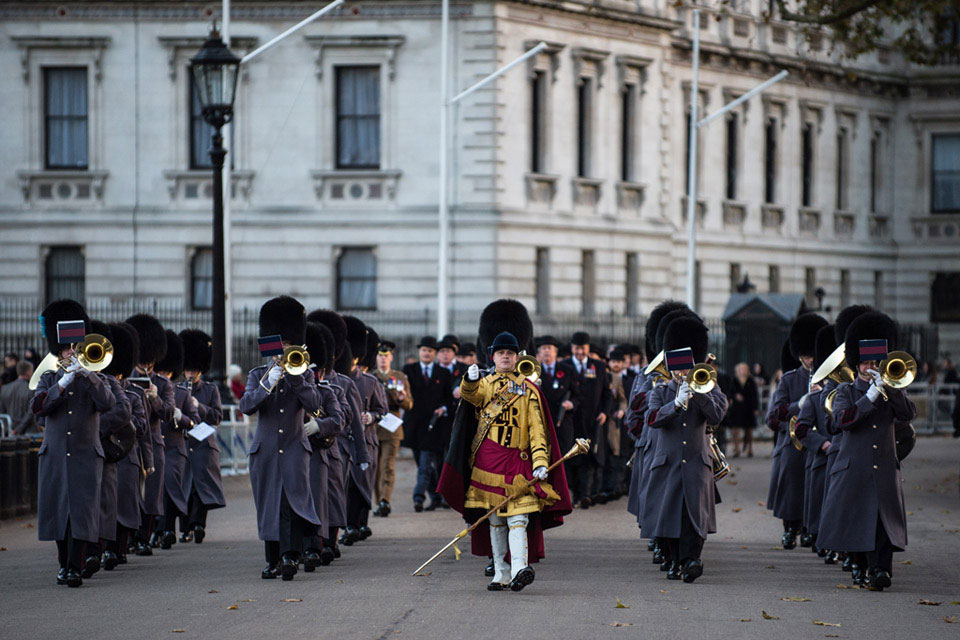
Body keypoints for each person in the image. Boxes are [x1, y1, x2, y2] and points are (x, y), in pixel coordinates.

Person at [438, 299, 572, 592]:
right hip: (487, 460)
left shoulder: (529, 389)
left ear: (517, 355)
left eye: (510, 353)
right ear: (493, 356)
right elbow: (471, 399)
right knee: (496, 520)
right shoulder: (485, 384)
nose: (506, 357)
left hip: (518, 461)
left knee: (519, 518)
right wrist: (469, 381)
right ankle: (501, 572)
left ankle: (522, 567)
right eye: (501, 353)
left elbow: (538, 430)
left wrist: (539, 461)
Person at [818, 311, 916, 591]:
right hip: (855, 466)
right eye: (866, 362)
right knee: (857, 520)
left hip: (883, 465)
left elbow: (908, 414)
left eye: (875, 362)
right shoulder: (846, 391)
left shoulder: (890, 388)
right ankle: (861, 567)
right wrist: (869, 397)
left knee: (882, 521)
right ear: (856, 363)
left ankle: (881, 570)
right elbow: (840, 422)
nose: (870, 366)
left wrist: (892, 391)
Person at [32, 299, 117, 587]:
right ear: (60, 351)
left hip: (83, 454)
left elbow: (108, 403)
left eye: (75, 349)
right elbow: (38, 407)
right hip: (55, 454)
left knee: (81, 512)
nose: (72, 353)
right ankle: (63, 565)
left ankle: (75, 567)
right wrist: (63, 383)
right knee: (59, 513)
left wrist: (88, 376)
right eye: (68, 349)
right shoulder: (48, 378)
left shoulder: (95, 379)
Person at [239, 296, 323, 581]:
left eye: (290, 345)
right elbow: (247, 405)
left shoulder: (305, 374)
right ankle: (272, 559)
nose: (285, 351)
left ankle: (290, 556)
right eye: (281, 345)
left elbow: (314, 404)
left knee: (291, 502)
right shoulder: (257, 375)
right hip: (265, 450)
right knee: (269, 504)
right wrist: (270, 380)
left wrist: (296, 378)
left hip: (294, 449)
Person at [642, 316, 728, 583]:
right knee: (669, 516)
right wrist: (676, 405)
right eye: (678, 368)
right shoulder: (660, 391)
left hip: (696, 462)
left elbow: (716, 415)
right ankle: (673, 560)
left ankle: (692, 560)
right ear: (671, 368)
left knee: (695, 517)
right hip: (668, 462)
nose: (682, 372)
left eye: (686, 367)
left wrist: (698, 392)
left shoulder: (709, 388)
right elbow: (653, 419)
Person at [308, 309, 368, 556]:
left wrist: (361, 454)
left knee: (332, 494)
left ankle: (329, 541)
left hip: (336, 446)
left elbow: (353, 421)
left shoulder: (343, 382)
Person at [766, 313, 827, 550]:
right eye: (805, 356)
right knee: (792, 487)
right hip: (793, 444)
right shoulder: (789, 380)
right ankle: (790, 528)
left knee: (816, 488)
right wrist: (799, 405)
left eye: (812, 355)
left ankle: (813, 529)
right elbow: (773, 416)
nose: (809, 360)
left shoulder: (829, 379)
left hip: (818, 440)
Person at [125, 313, 175, 555]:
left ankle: (144, 537)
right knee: (129, 492)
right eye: (142, 362)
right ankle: (129, 538)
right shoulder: (125, 381)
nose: (145, 367)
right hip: (131, 444)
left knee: (151, 495)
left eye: (149, 363)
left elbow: (168, 414)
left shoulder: (164, 384)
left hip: (153, 443)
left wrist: (155, 399)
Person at [102, 321, 148, 568]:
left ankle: (118, 549)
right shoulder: (98, 388)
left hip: (125, 454)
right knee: (103, 505)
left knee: (124, 506)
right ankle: (102, 550)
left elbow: (142, 427)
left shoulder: (135, 395)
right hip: (102, 454)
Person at [301, 321, 345, 570]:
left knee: (324, 501)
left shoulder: (330, 390)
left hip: (323, 451)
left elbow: (341, 419)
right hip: (296, 453)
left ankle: (319, 545)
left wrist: (319, 425)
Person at [793, 324, 838, 560]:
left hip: (846, 458)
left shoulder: (850, 393)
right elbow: (801, 429)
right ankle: (824, 541)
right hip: (823, 458)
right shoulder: (815, 396)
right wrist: (822, 443)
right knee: (822, 505)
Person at [179, 329, 226, 544]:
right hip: (183, 441)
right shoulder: (177, 389)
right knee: (183, 486)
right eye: (188, 370)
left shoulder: (210, 389)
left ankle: (199, 525)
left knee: (200, 487)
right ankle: (185, 527)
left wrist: (201, 407)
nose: (190, 374)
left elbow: (217, 416)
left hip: (203, 444)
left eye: (194, 370)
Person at [156, 330, 201, 549]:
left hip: (175, 448)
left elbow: (194, 421)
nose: (163, 374)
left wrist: (179, 416)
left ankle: (167, 529)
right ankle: (160, 530)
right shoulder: (149, 390)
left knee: (171, 488)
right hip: (157, 447)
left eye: (167, 371)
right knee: (157, 490)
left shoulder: (182, 394)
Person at [401, 336, 454, 512]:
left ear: (435, 354)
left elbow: (449, 398)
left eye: (430, 351)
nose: (426, 353)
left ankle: (418, 497)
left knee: (425, 463)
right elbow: (401, 392)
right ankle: (436, 495)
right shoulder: (408, 370)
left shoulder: (443, 373)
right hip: (414, 425)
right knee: (421, 462)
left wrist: (443, 408)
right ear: (419, 352)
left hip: (433, 426)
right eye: (424, 350)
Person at [562, 331, 611, 508]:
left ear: (588, 348)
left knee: (590, 459)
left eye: (582, 348)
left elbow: (607, 393)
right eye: (576, 348)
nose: (579, 352)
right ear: (572, 348)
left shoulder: (598, 366)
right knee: (572, 459)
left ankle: (585, 495)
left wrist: (605, 412)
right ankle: (575, 493)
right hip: (571, 421)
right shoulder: (565, 365)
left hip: (592, 420)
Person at [372, 340, 413, 517]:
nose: (383, 359)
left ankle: (385, 500)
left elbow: (409, 404)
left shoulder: (399, 377)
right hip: (373, 425)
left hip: (392, 426)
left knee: (387, 465)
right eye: (380, 356)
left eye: (386, 356)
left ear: (391, 357)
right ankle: (378, 500)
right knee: (375, 467)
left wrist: (402, 398)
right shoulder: (370, 377)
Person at [535, 335, 579, 457]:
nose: (547, 351)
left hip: (562, 422)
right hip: (541, 423)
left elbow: (577, 395)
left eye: (549, 348)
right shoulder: (533, 372)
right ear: (539, 353)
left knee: (562, 459)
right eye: (543, 348)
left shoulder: (567, 370)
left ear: (556, 352)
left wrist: (571, 403)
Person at [726, 362, 759, 457]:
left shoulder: (751, 380)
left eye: (744, 369)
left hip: (749, 407)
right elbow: (729, 392)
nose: (742, 371)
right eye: (740, 369)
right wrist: (735, 396)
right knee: (735, 430)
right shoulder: (734, 380)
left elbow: (755, 395)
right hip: (737, 408)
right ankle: (736, 449)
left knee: (749, 430)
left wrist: (756, 408)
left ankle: (750, 449)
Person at [0, 360, 39, 434]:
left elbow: (2, 412)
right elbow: (30, 413)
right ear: (28, 372)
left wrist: (9, 429)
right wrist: (18, 429)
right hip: (28, 432)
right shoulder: (31, 389)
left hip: (9, 431)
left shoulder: (5, 388)